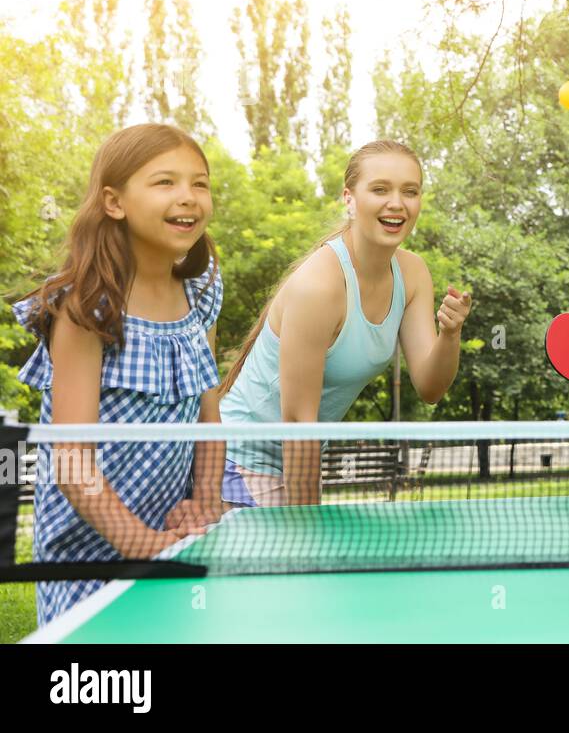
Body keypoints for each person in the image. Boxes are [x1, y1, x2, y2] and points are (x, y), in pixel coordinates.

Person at [12, 124, 225, 624]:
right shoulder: (87, 309)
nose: (188, 197)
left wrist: (205, 501)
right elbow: (71, 460)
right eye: (165, 182)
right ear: (114, 202)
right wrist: (140, 544)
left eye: (200, 183)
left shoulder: (202, 292)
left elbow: (209, 420)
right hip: (87, 553)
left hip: (171, 539)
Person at [218, 140, 471, 507]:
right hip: (238, 463)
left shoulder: (413, 273)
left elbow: (430, 388)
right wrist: (305, 524)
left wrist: (450, 335)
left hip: (298, 462)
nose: (397, 203)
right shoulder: (320, 286)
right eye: (380, 189)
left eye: (410, 191)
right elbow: (299, 424)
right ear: (349, 199)